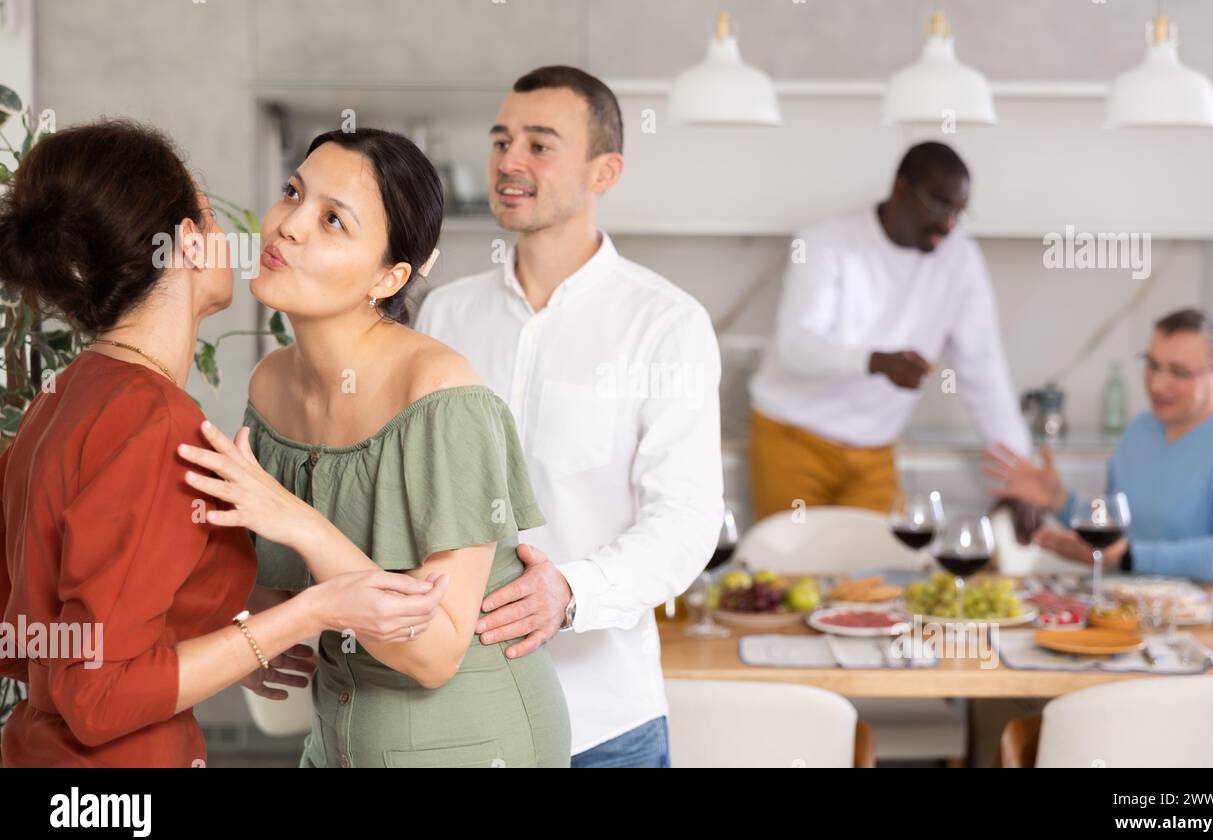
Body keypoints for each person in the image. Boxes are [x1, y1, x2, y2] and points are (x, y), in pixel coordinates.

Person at [0, 120, 444, 767]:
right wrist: (311, 611)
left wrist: (220, 648)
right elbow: (96, 693)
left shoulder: (62, 397)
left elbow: (35, 636)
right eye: (210, 222)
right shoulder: (148, 420)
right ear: (185, 242)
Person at [181, 127, 571, 767]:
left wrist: (297, 520)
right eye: (293, 193)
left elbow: (436, 652)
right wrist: (252, 639)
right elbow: (275, 586)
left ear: (388, 277)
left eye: (333, 220)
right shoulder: (273, 382)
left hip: (471, 736)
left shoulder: (441, 395)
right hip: (339, 733)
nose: (288, 226)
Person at [415, 66, 723, 767]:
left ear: (604, 170)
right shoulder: (447, 313)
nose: (508, 162)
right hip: (457, 711)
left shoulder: (666, 323)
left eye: (540, 144)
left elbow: (687, 518)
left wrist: (571, 589)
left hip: (603, 722)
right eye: (501, 141)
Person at [747, 141, 1030, 519]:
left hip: (875, 450)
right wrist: (876, 362)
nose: (947, 225)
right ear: (899, 189)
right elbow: (796, 346)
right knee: (791, 571)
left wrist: (1020, 476)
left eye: (958, 213)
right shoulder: (825, 243)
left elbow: (984, 370)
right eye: (938, 206)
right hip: (792, 437)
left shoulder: (960, 260)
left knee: (875, 573)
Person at [984, 307, 1213, 585]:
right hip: (1126, 610)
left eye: (1178, 372)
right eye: (1152, 365)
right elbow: (1120, 527)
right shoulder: (1141, 428)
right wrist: (1059, 500)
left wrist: (1129, 556)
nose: (1156, 384)